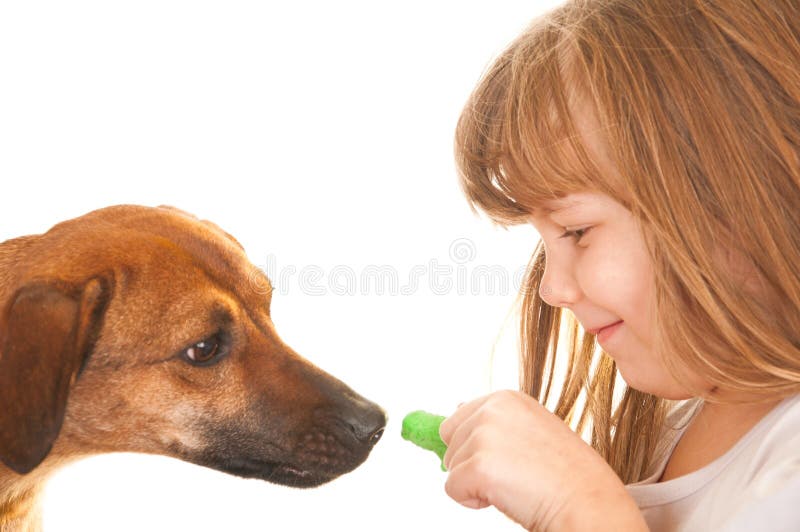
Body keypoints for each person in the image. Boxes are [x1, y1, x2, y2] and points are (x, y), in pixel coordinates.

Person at [438, 0, 800, 530]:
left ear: (739, 194)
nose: (552, 289)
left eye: (576, 231)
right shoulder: (674, 436)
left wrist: (581, 510)